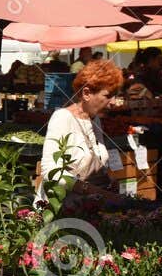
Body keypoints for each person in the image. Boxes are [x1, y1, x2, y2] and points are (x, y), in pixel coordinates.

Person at [40, 58, 124, 190]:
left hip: (88, 204)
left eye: (115, 96)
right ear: (86, 93)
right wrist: (85, 188)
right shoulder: (62, 118)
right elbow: (49, 172)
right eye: (108, 96)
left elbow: (96, 163)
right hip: (60, 206)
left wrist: (109, 179)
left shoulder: (95, 119)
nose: (113, 102)